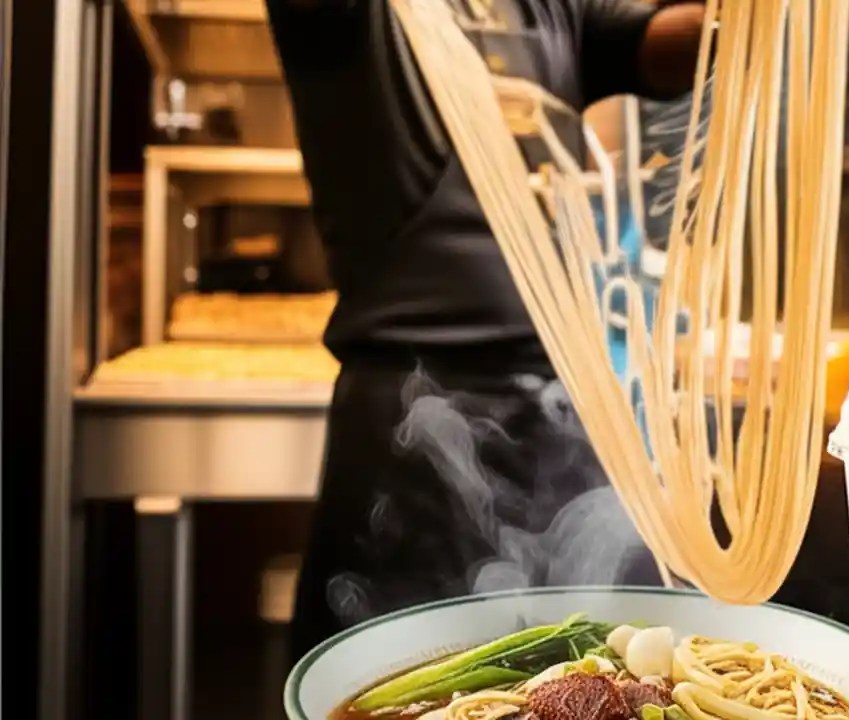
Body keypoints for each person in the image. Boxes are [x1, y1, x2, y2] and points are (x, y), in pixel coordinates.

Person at [265, 0, 706, 661]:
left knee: (574, 681)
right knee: (386, 685)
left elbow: (666, 43)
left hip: (565, 420)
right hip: (411, 426)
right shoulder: (360, 18)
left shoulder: (554, 10)